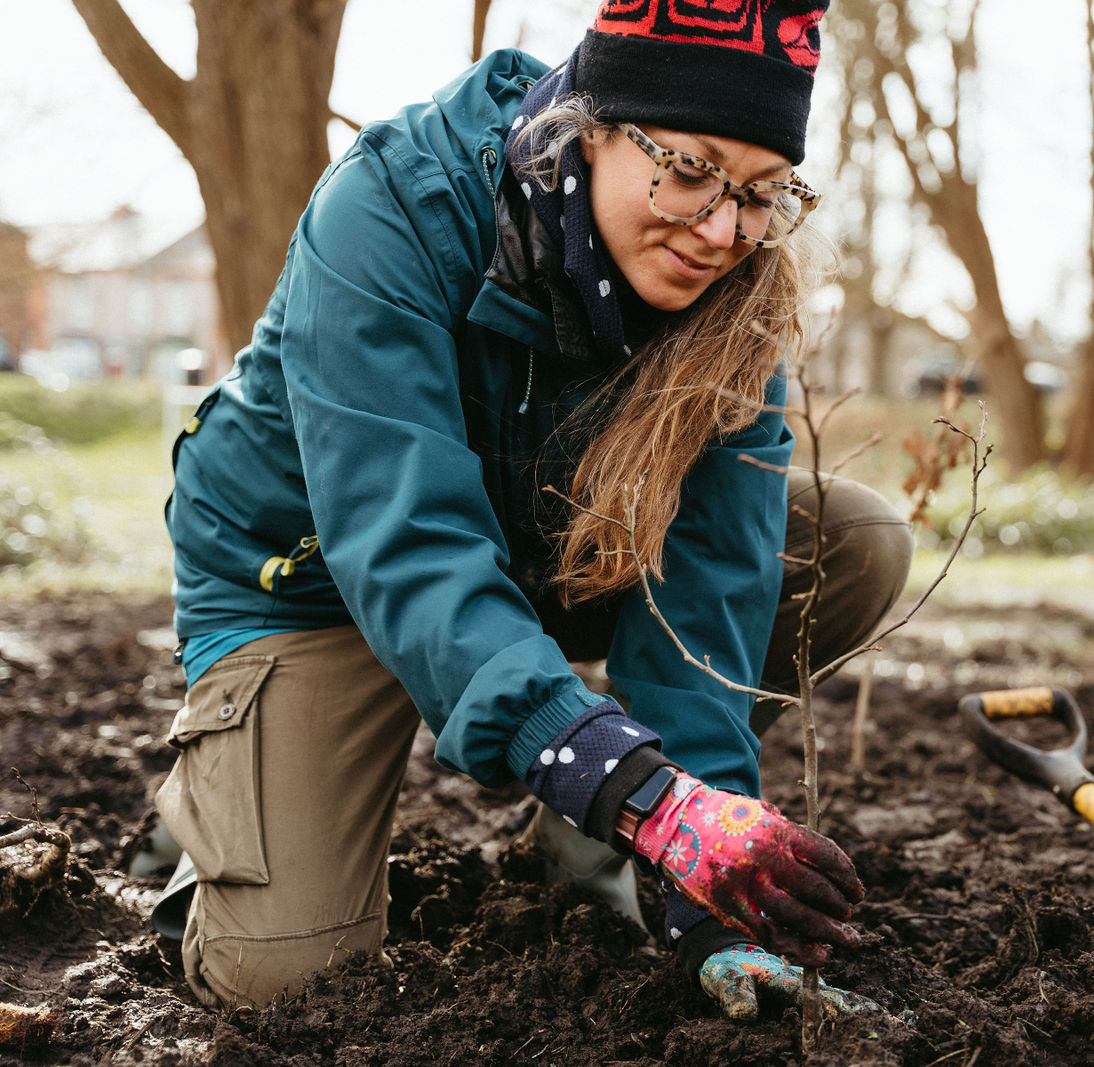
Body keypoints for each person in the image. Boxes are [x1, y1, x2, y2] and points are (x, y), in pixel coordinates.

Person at [153, 0, 913, 1019]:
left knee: (851, 542)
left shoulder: (737, 298)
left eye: (763, 192)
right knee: (287, 978)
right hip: (312, 578)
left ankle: (581, 835)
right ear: (591, 123)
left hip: (537, 552)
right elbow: (408, 544)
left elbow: (713, 594)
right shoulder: (390, 209)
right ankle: (205, 813)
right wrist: (638, 790)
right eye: (688, 170)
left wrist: (705, 893)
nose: (722, 229)